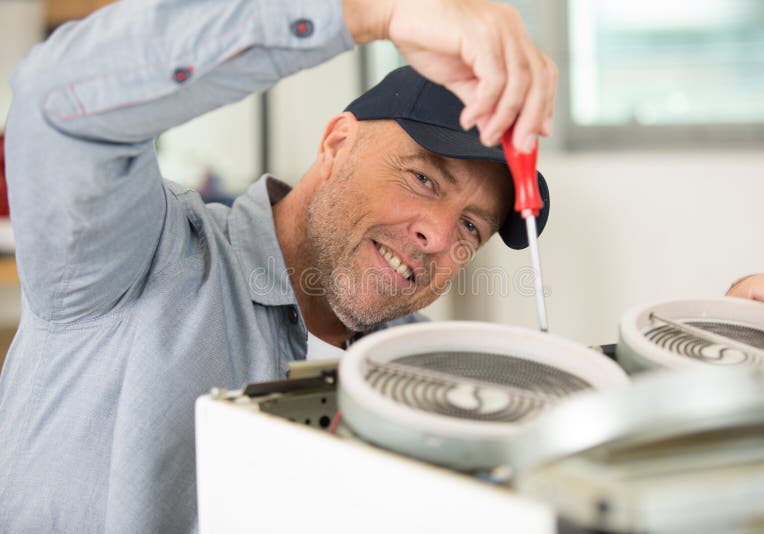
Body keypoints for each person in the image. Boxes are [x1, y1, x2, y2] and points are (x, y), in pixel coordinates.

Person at [0, 0, 557, 532]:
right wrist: (375, 12)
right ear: (337, 144)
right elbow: (57, 102)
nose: (436, 235)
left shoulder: (421, 373)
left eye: (471, 227)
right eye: (422, 178)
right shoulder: (142, 255)